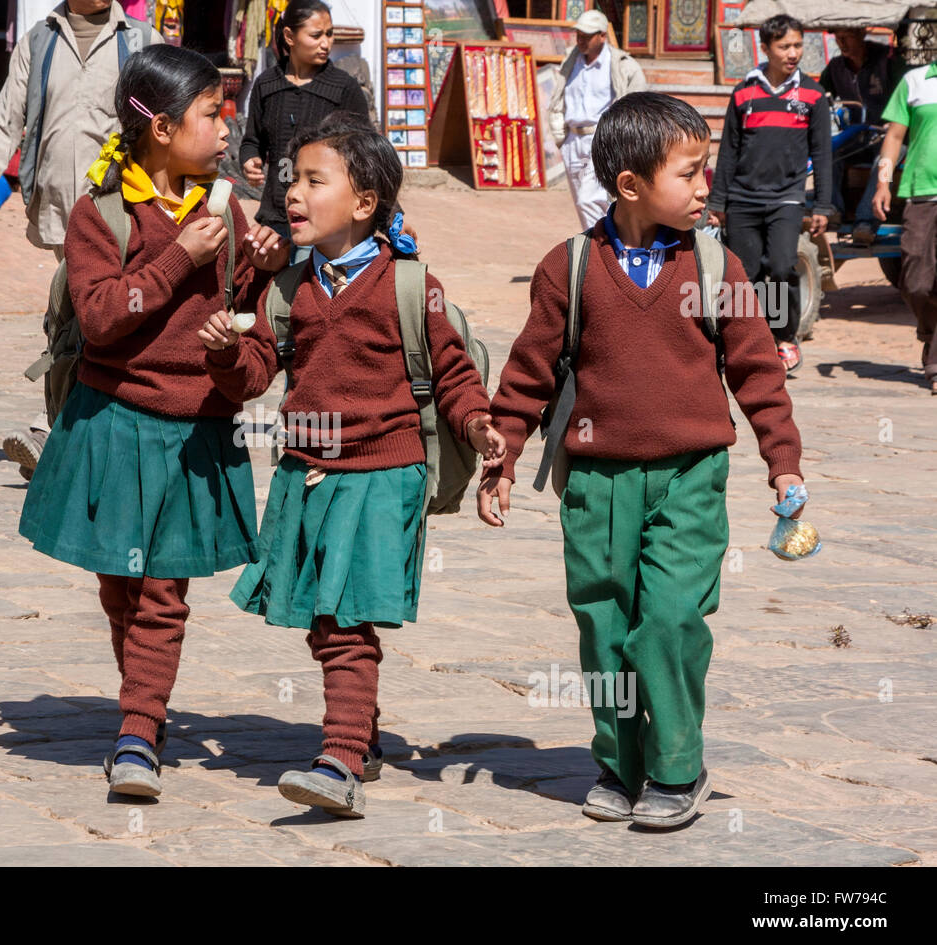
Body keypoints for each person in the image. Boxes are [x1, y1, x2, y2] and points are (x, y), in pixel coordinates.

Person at [478, 92, 805, 829]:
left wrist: (782, 461)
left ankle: (678, 767)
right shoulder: (569, 267)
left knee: (668, 620)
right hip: (596, 480)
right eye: (689, 174)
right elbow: (530, 373)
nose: (704, 189)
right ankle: (618, 765)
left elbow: (758, 372)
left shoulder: (717, 266)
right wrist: (503, 458)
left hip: (691, 476)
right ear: (631, 186)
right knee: (604, 625)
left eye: (706, 172)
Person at [202, 115, 506, 818]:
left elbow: (453, 373)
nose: (295, 196)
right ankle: (362, 736)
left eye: (314, 182)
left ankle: (337, 761)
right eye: (292, 181)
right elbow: (255, 374)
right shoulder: (290, 290)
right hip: (304, 473)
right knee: (318, 615)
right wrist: (224, 352)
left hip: (382, 474)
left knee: (343, 621)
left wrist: (479, 423)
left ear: (365, 203)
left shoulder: (409, 285)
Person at [17, 45, 289, 798]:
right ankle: (144, 704)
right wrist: (176, 259)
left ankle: (137, 733)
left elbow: (245, 310)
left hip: (195, 428)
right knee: (121, 591)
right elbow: (102, 318)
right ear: (163, 129)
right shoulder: (100, 215)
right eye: (212, 112)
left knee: (163, 594)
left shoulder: (225, 210)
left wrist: (261, 261)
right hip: (114, 423)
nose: (227, 125)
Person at [0, 0, 164, 481]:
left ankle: (59, 425)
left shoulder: (142, 41)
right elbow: (7, 118)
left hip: (124, 209)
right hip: (59, 208)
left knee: (89, 314)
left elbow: (170, 119)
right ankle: (72, 423)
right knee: (76, 315)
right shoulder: (40, 40)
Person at [708, 14, 832, 375]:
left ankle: (784, 337)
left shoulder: (812, 94)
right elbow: (728, 150)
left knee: (780, 268)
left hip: (787, 199)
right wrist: (718, 203)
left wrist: (822, 203)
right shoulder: (745, 92)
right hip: (742, 198)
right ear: (765, 48)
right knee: (742, 274)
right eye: (785, 46)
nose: (793, 53)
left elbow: (823, 153)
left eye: (798, 45)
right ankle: (742, 343)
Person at [239, 0, 372, 248]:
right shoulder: (266, 85)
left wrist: (392, 216)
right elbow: (252, 140)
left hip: (323, 224)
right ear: (290, 36)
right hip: (275, 219)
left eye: (330, 34)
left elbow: (369, 155)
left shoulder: (344, 89)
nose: (326, 43)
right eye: (316, 35)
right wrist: (250, 160)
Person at [547, 9, 647, 230]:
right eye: (579, 35)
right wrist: (561, 138)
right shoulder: (571, 62)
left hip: (600, 139)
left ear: (602, 35)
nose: (581, 40)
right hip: (572, 140)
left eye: (587, 35)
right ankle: (605, 242)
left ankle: (598, 250)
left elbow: (637, 102)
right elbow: (559, 98)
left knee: (589, 199)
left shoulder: (622, 65)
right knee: (584, 202)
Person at [873, 55, 937, 393]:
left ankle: (935, 364)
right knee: (915, 282)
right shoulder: (915, 81)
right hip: (920, 192)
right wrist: (883, 183)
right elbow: (894, 138)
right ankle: (930, 335)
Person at [821, 28, 897, 245]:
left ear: (862, 35)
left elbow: (906, 94)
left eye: (847, 37)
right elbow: (816, 95)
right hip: (857, 136)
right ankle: (832, 208)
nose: (842, 43)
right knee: (829, 149)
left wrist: (894, 123)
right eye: (838, 39)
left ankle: (866, 220)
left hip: (891, 135)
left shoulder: (887, 61)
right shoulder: (836, 67)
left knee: (884, 160)